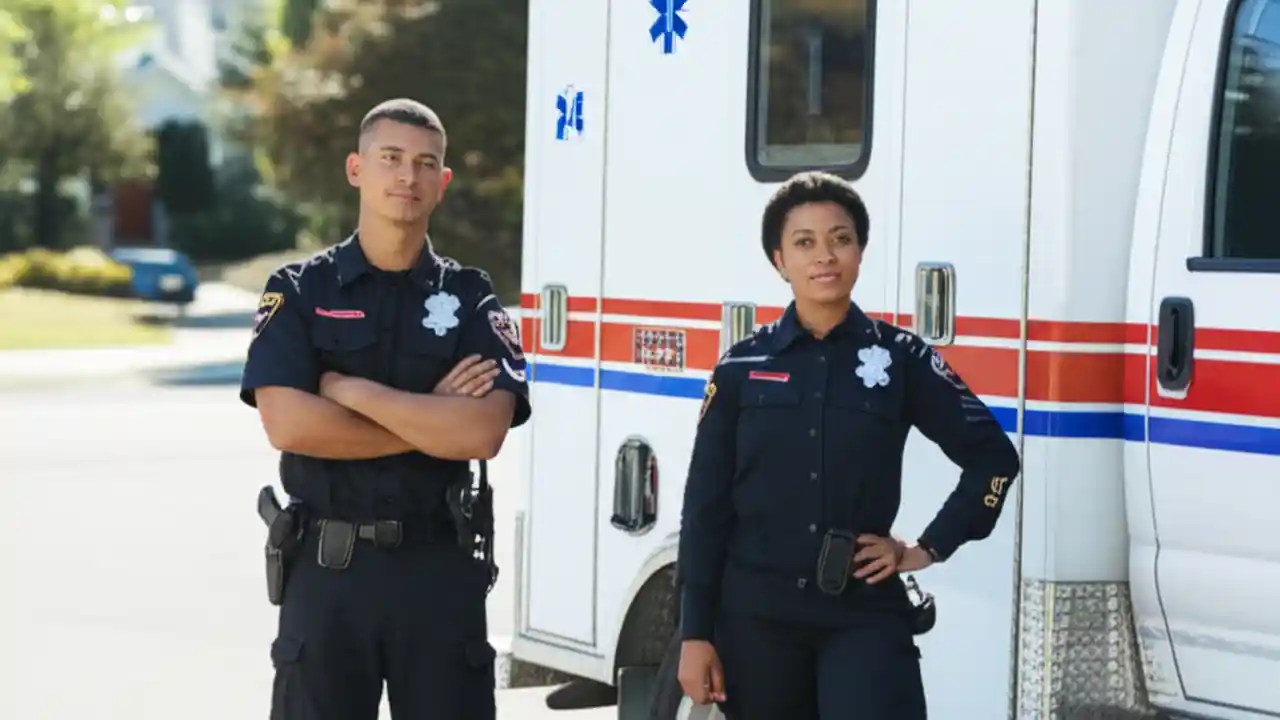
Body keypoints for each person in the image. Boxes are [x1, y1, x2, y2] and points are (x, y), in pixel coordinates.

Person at [674, 171, 1021, 719]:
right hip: (757, 621)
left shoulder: (903, 357)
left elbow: (994, 458)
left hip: (863, 613)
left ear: (860, 251)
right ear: (778, 260)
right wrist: (694, 633)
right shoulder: (741, 366)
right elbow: (704, 506)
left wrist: (927, 548)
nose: (825, 256)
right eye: (804, 242)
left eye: (840, 238)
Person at [239, 98, 531, 720]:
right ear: (356, 169)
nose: (408, 176)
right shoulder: (298, 290)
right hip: (327, 569)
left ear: (443, 182)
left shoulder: (471, 296)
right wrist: (430, 420)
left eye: (427, 164)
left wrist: (350, 391)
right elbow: (288, 424)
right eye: (391, 159)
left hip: (438, 570)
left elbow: (481, 432)